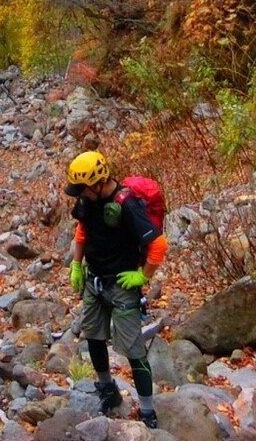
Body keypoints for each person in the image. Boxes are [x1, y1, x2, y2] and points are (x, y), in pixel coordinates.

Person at [65, 149, 169, 427]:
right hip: (94, 281)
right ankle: (107, 388)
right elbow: (82, 232)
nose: (80, 195)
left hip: (122, 286)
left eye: (84, 189)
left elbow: (158, 244)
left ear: (98, 183)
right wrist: (77, 265)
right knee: (94, 336)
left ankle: (147, 410)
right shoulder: (88, 201)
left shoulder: (127, 204)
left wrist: (142, 276)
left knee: (134, 349)